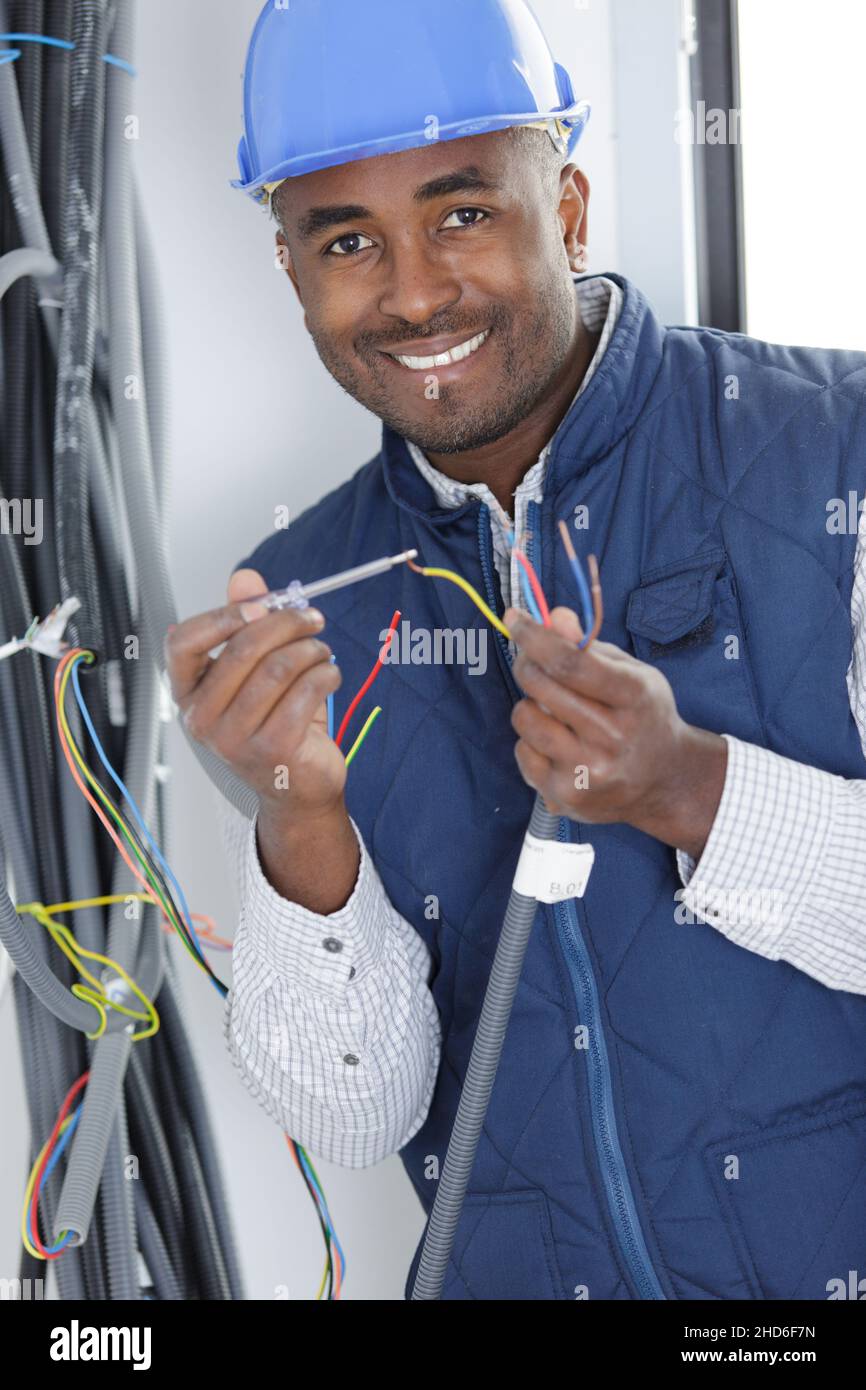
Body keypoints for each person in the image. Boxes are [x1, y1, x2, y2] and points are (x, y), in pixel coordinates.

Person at [165, 0, 866, 1300]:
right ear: (290, 270)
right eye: (348, 241)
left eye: (463, 213)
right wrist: (297, 817)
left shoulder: (832, 451)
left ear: (571, 203)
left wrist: (687, 788)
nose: (416, 288)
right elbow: (360, 1113)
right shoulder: (304, 599)